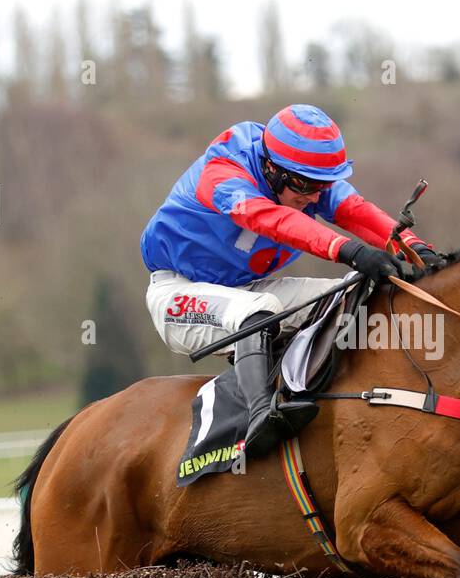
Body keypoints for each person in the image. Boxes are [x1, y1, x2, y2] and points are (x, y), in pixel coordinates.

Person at [141, 104, 442, 457]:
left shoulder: (303, 175)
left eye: (323, 185)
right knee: (260, 310)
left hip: (247, 290)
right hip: (178, 292)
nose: (315, 195)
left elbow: (354, 210)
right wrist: (350, 250)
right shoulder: (223, 173)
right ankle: (260, 419)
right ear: (271, 168)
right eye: (306, 185)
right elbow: (273, 220)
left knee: (350, 292)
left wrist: (417, 248)